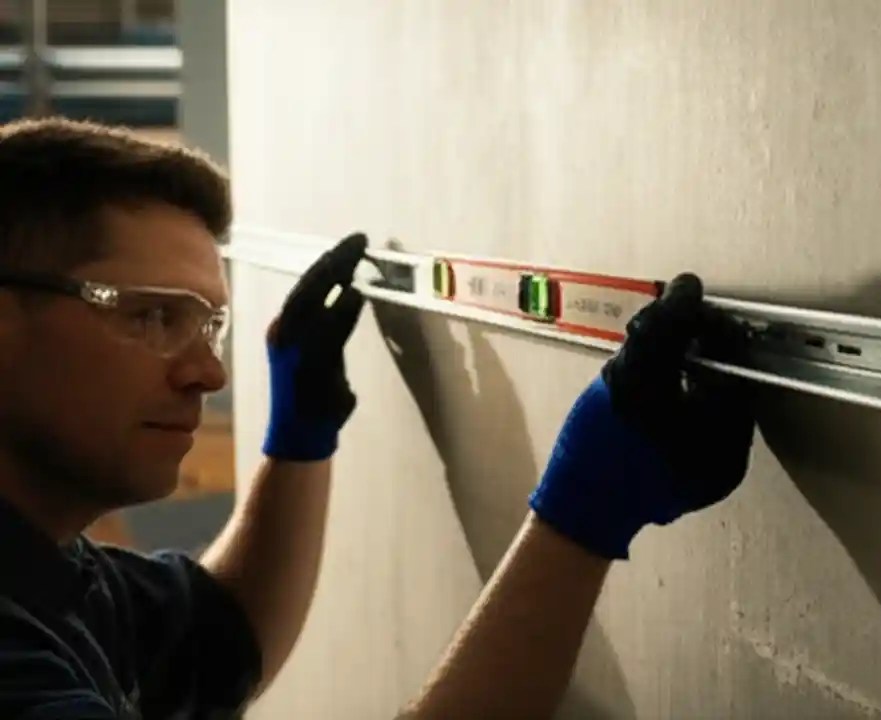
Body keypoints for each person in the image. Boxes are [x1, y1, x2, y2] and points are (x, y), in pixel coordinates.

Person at [0, 116, 756, 719]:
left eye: (208, 325)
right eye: (152, 317)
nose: (209, 372)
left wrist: (301, 440)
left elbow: (221, 636)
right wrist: (579, 518)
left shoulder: (47, 572)